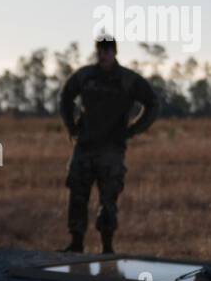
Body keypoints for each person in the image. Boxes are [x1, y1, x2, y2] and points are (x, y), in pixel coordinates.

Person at [58, 37, 159, 254]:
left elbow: (152, 103)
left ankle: (107, 246)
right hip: (84, 146)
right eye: (100, 51)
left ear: (115, 52)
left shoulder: (127, 79)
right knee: (77, 195)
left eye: (107, 50)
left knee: (109, 199)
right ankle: (76, 243)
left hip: (111, 150)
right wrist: (72, 126)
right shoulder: (85, 76)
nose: (102, 54)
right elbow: (66, 96)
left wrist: (133, 129)